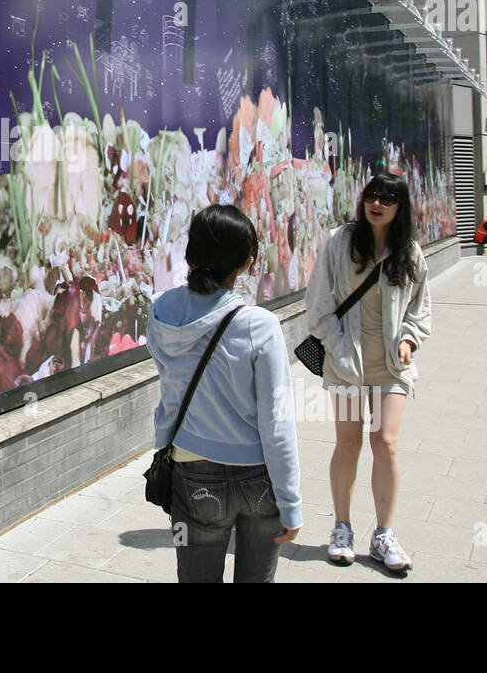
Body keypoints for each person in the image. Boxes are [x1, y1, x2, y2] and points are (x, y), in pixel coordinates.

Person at [147, 204, 303, 582]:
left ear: (192, 254)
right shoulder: (259, 325)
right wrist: (291, 501)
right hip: (259, 480)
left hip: (192, 471)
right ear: (248, 263)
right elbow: (276, 421)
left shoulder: (162, 312)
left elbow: (172, 390)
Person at [305, 172, 431, 573]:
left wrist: (409, 339)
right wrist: (335, 344)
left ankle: (384, 533)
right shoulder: (339, 242)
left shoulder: (408, 252)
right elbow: (318, 303)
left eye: (387, 199)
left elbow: (420, 309)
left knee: (385, 442)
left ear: (400, 207)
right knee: (348, 443)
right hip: (346, 361)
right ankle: (342, 528)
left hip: (392, 364)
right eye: (371, 196)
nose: (377, 204)